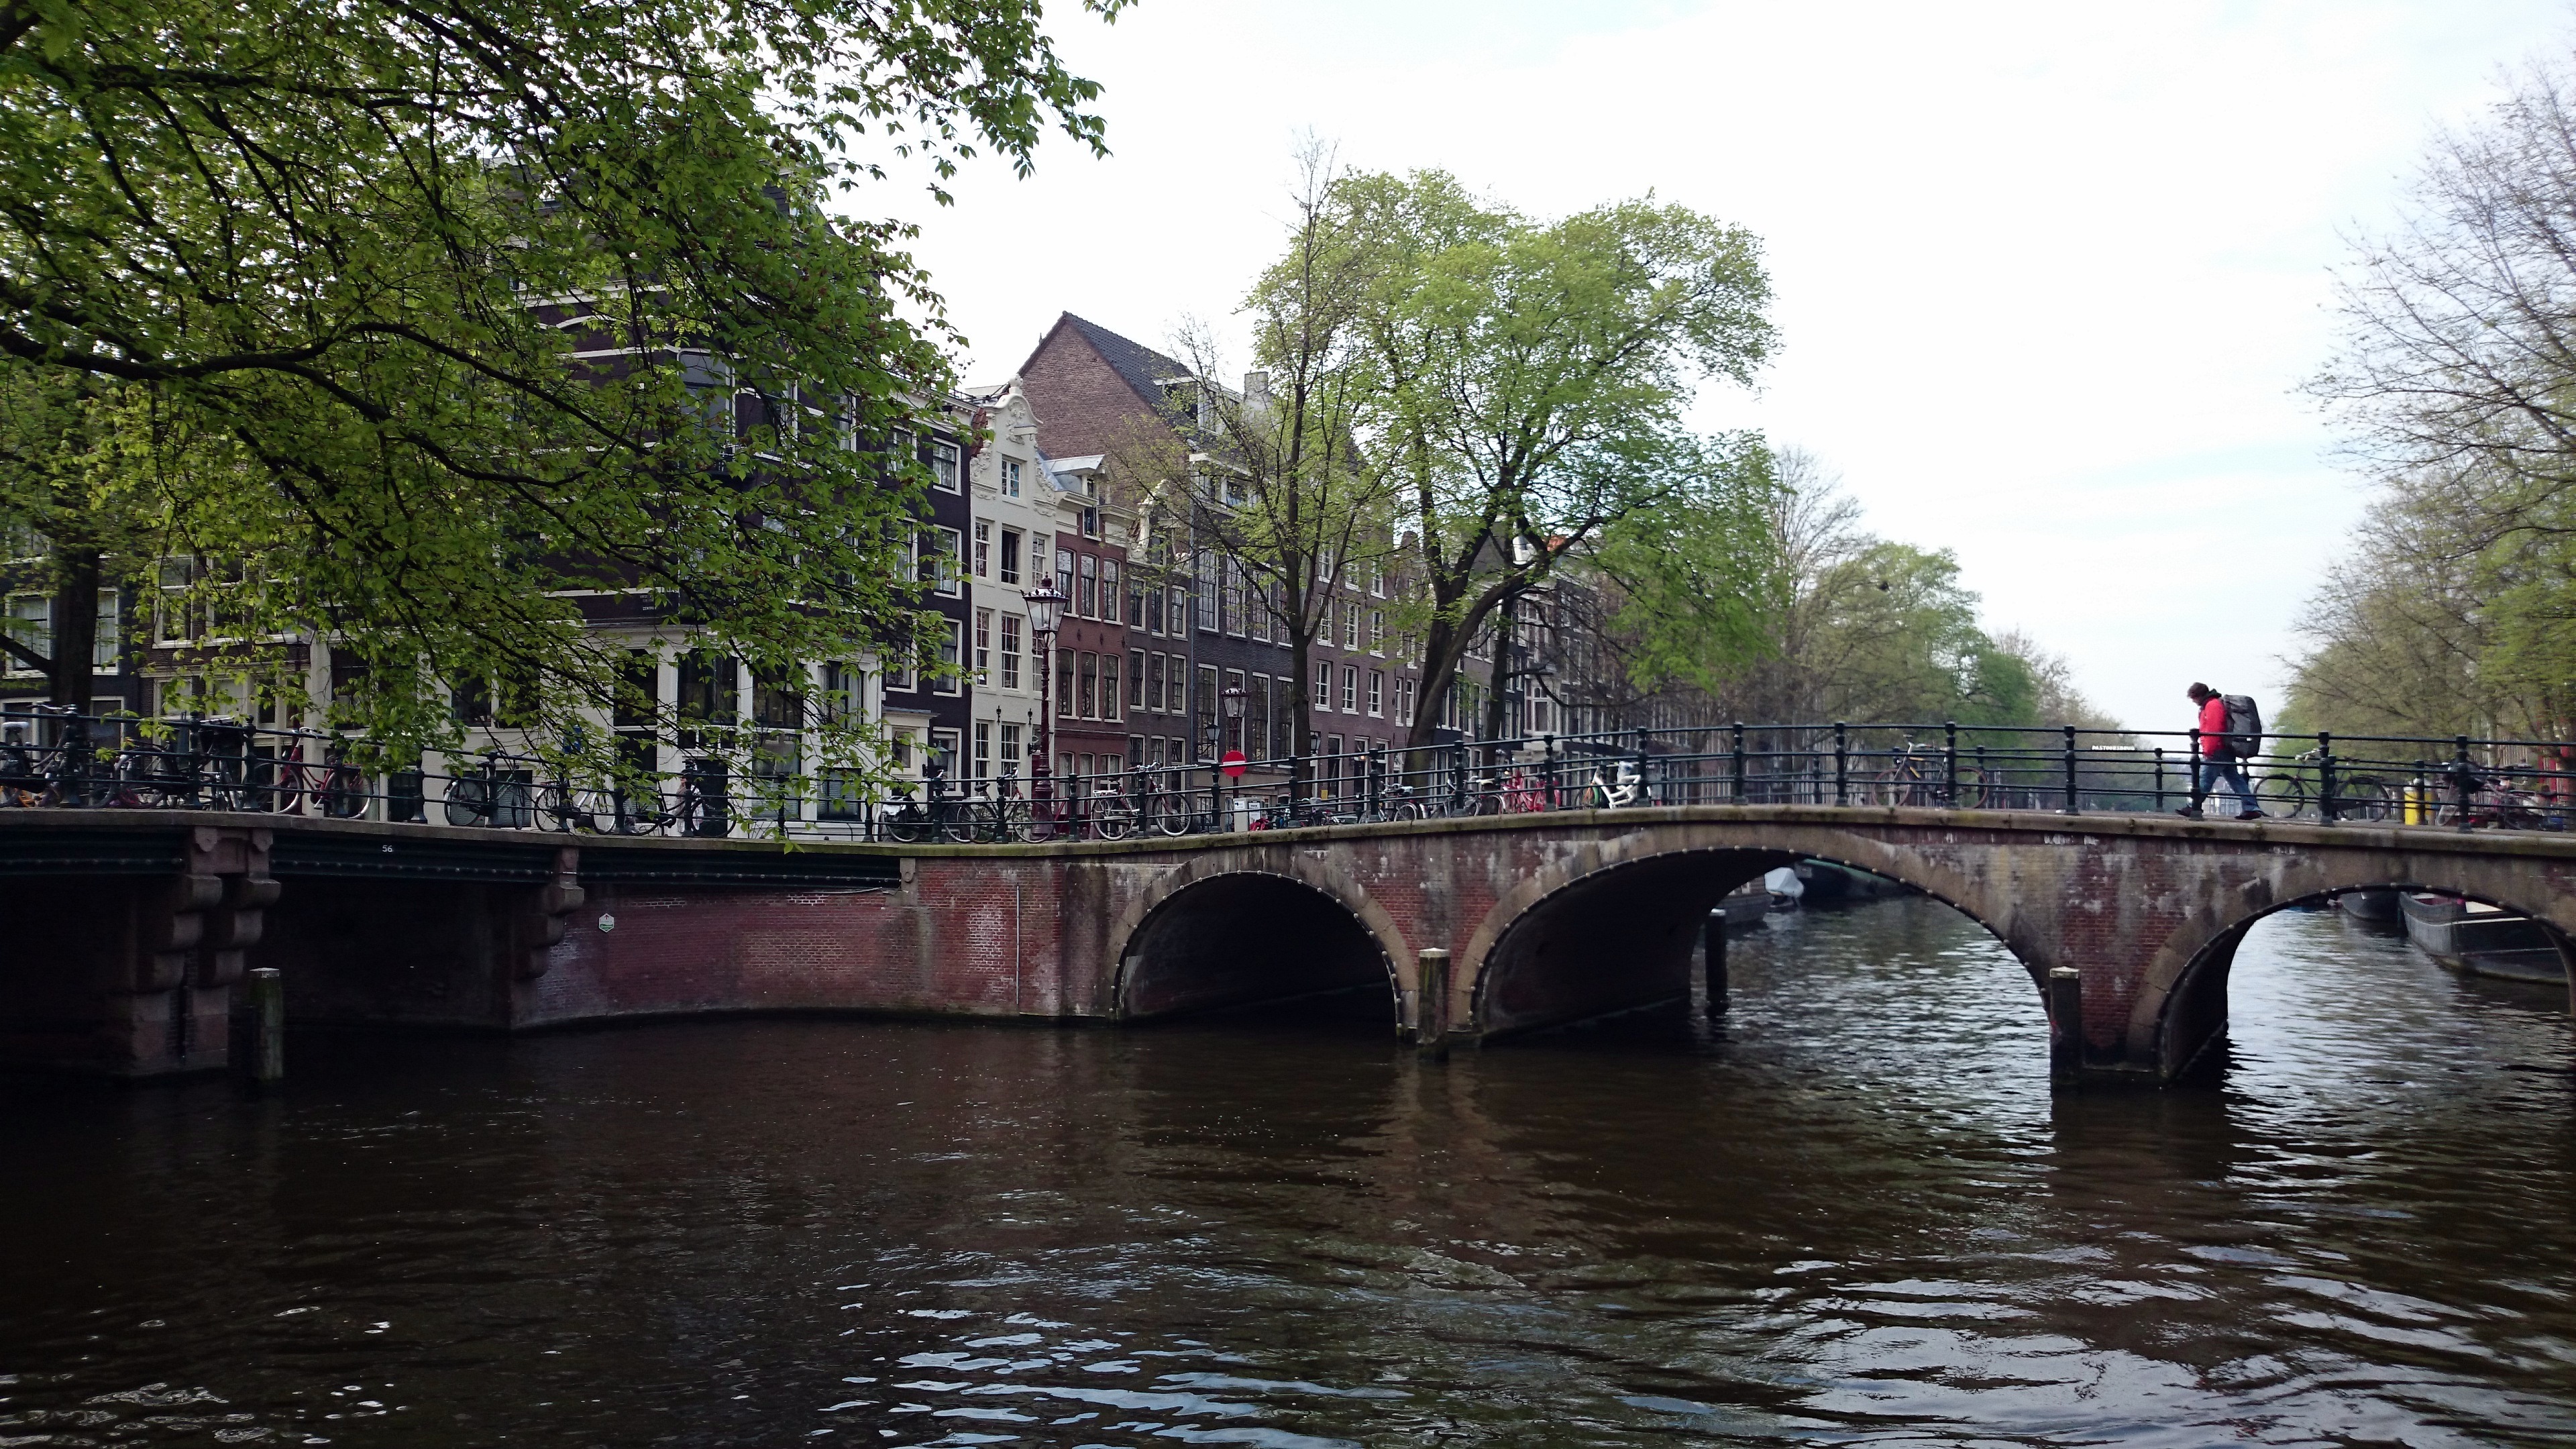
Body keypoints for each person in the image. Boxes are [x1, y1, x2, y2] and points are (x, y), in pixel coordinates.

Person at [2178, 682, 2259, 820]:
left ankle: (2194, 806)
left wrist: (2208, 750)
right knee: (2236, 780)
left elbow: (2213, 730)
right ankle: (2251, 807)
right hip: (2224, 749)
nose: (2193, 701)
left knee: (2205, 779)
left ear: (2199, 695)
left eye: (2193, 698)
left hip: (2217, 750)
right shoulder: (2212, 704)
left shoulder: (2212, 706)